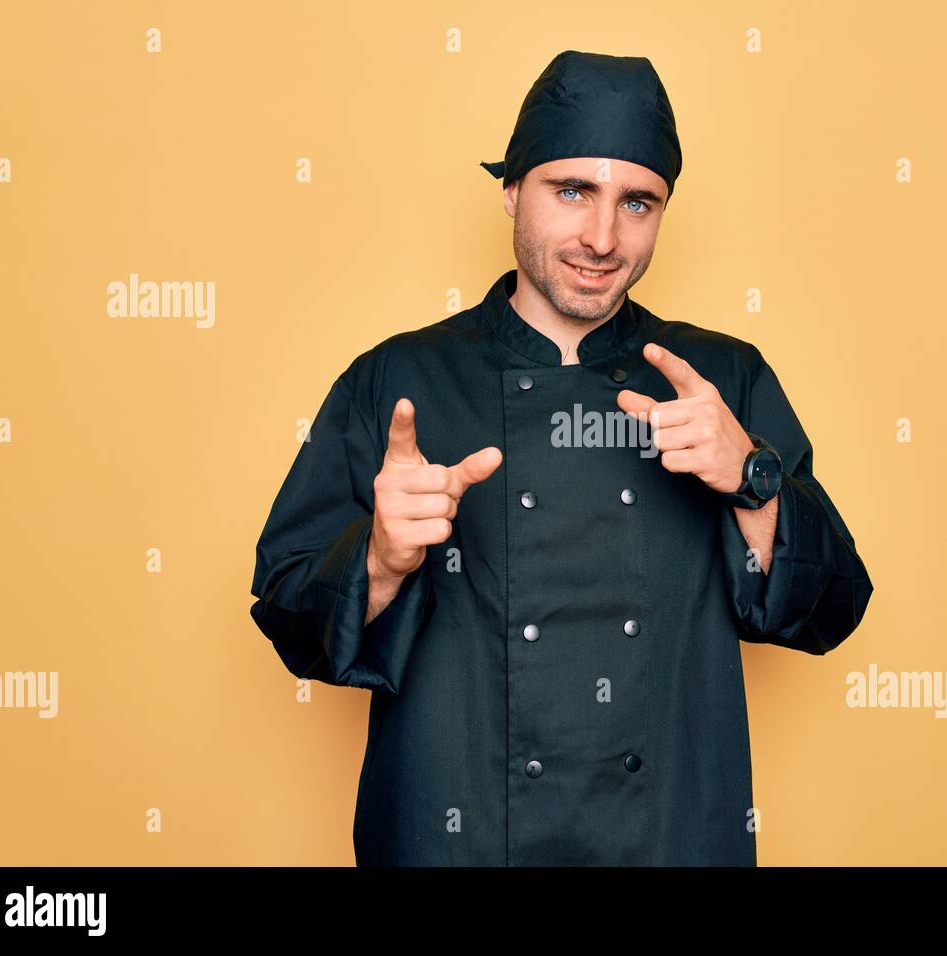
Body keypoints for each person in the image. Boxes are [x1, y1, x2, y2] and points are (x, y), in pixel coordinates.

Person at [248, 49, 874, 866]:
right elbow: (287, 614)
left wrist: (753, 480)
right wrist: (379, 560)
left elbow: (832, 611)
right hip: (458, 835)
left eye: (637, 202)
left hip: (668, 838)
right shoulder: (395, 380)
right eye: (571, 190)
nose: (602, 237)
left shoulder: (724, 379)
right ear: (511, 190)